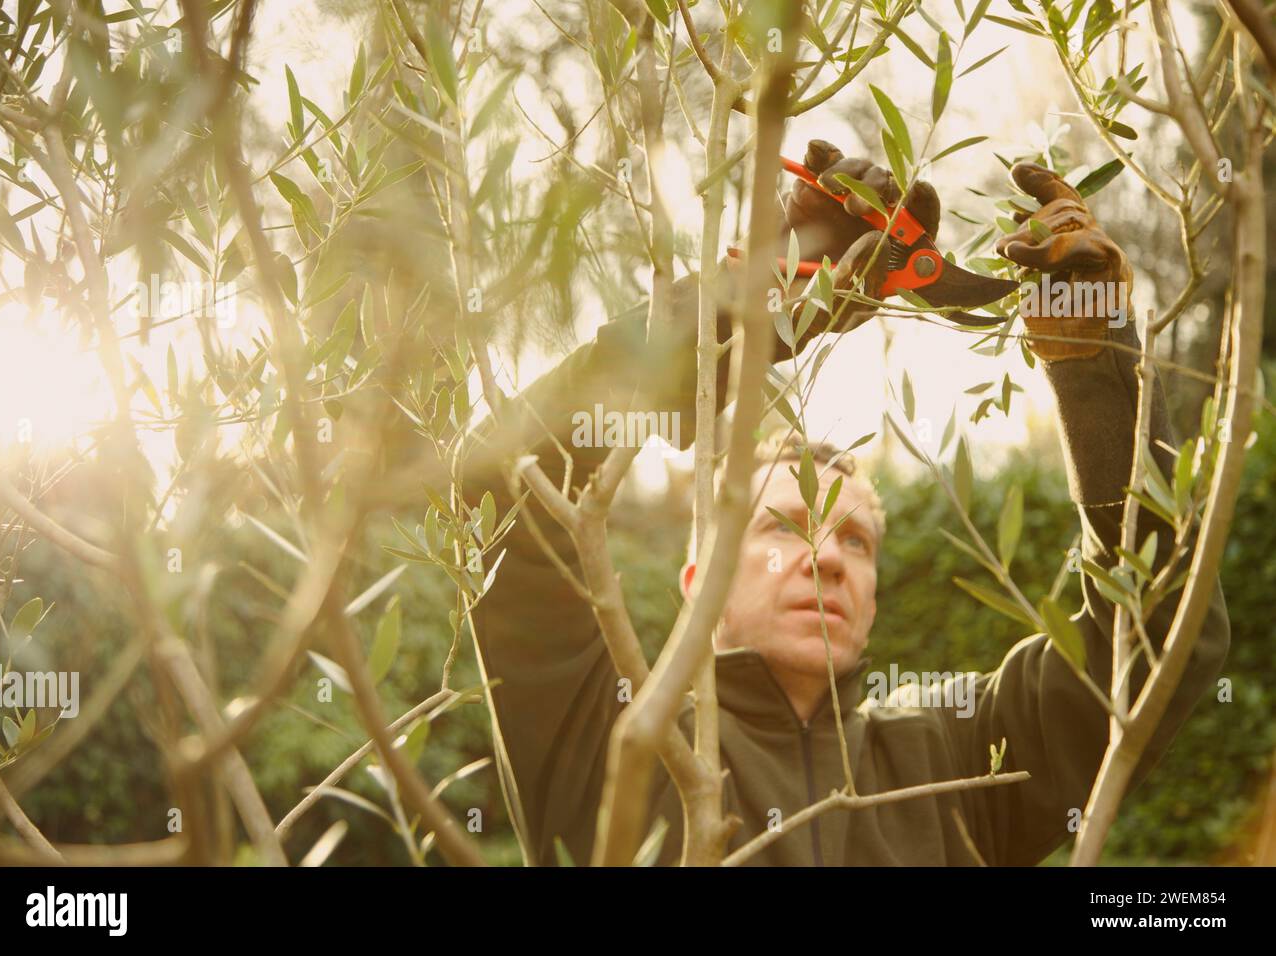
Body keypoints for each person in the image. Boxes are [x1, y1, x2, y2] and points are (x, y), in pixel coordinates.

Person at [459, 138, 1230, 866]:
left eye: (855, 540)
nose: (826, 556)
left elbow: (1163, 632)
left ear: (873, 594)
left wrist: (1099, 370)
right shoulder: (608, 735)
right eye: (784, 529)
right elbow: (500, 483)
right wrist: (757, 306)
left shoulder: (959, 760)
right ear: (701, 585)